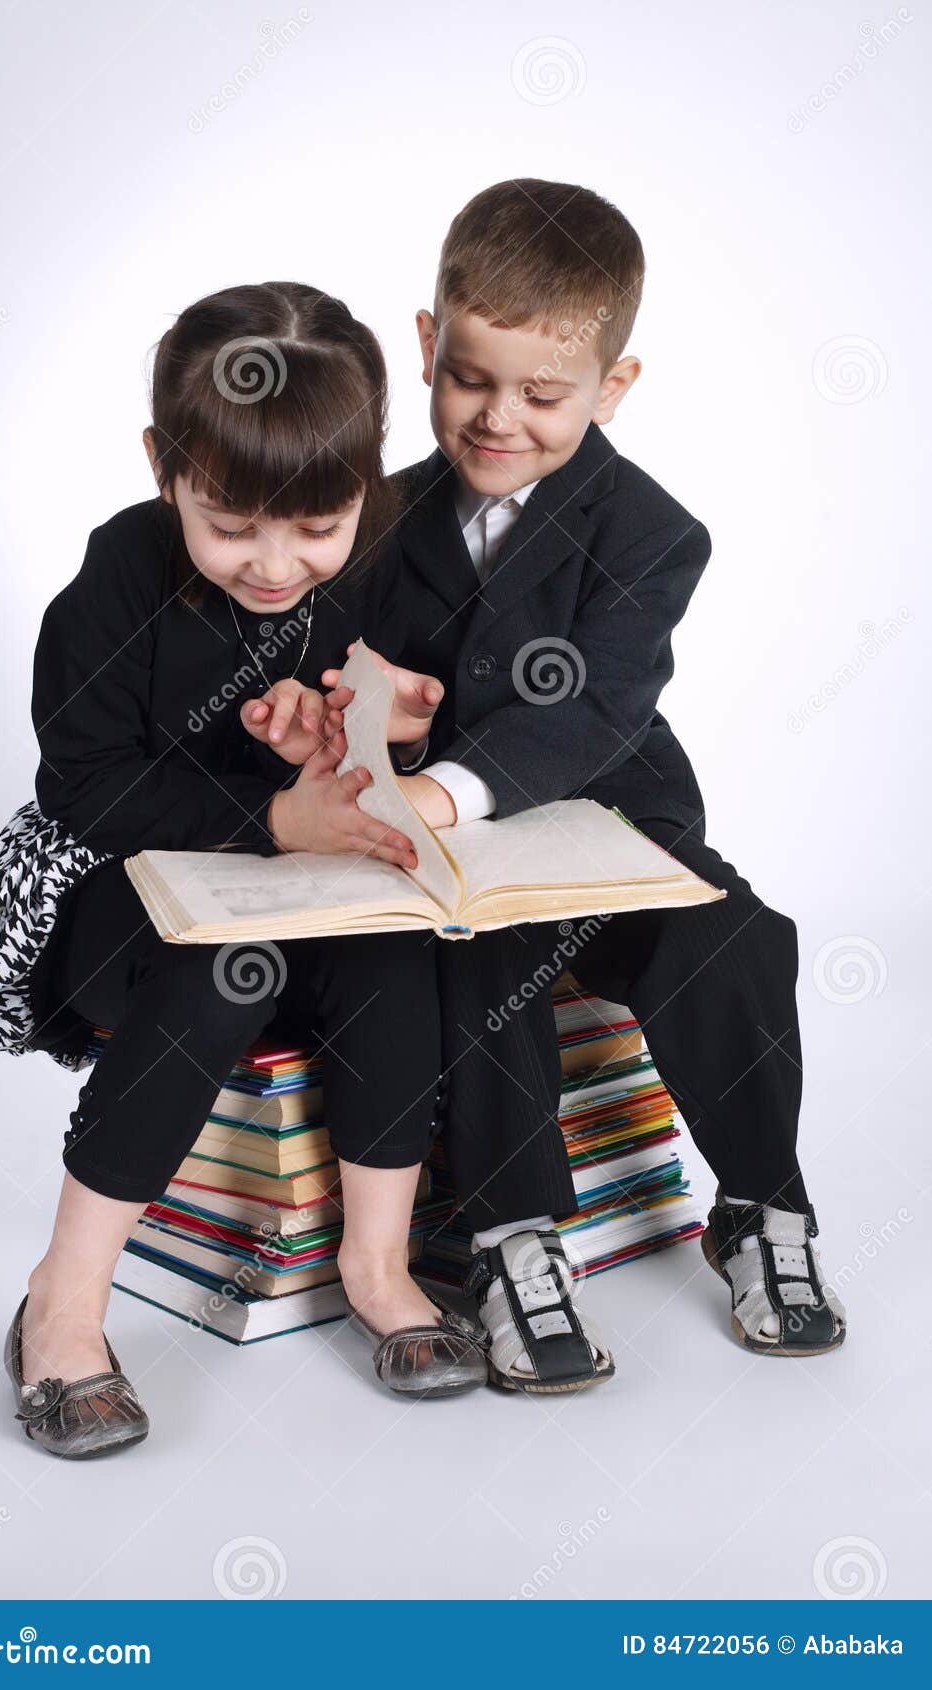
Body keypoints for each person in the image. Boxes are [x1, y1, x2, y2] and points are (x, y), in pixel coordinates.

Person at [0, 281, 498, 1460]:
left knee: (395, 942)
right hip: (113, 900)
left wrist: (393, 725)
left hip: (300, 888)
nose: (274, 563)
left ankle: (377, 1262)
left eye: (314, 527)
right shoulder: (122, 572)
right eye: (232, 523)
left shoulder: (383, 553)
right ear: (165, 468)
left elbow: (397, 725)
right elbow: (84, 784)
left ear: (365, 486)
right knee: (224, 972)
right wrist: (271, 818)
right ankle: (64, 1303)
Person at [326, 179, 846, 1388]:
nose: (499, 418)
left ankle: (764, 1208)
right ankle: (513, 1239)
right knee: (487, 951)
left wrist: (445, 788)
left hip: (614, 826)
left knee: (740, 939)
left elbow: (591, 705)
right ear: (427, 347)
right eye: (469, 378)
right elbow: (329, 668)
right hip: (450, 867)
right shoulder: (380, 519)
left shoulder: (655, 533)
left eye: (544, 394)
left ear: (613, 388)